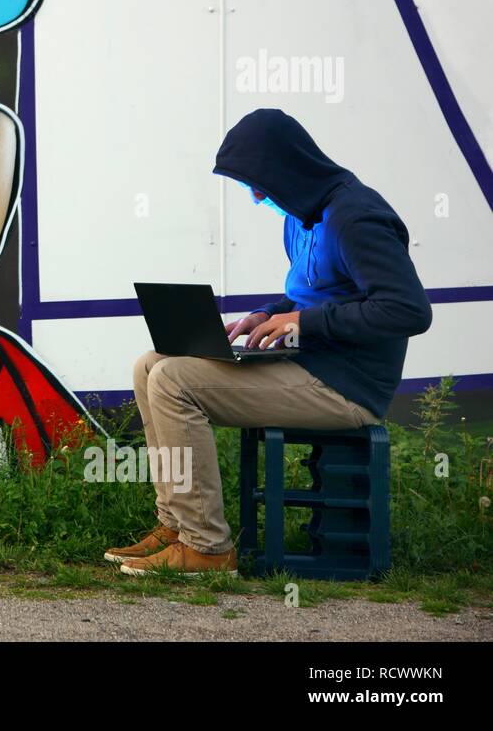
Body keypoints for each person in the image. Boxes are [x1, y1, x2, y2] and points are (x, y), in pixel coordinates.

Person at [107, 108, 431, 575]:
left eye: (260, 182)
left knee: (173, 381)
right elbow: (313, 293)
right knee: (150, 364)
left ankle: (208, 547)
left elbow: (408, 310)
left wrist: (307, 322)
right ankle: (176, 524)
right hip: (307, 363)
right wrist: (270, 313)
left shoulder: (357, 218)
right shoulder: (301, 217)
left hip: (346, 386)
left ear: (288, 167)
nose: (257, 196)